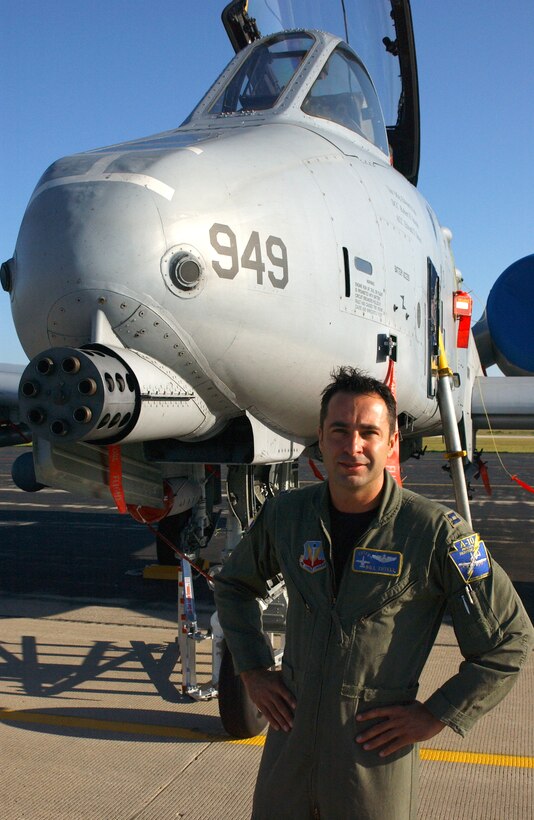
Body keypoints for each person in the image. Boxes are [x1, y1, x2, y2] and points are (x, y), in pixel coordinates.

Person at [213, 367, 534, 820]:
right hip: (290, 747)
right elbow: (233, 585)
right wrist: (253, 669)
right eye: (340, 431)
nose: (353, 447)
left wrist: (436, 714)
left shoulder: (434, 534)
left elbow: (510, 640)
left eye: (368, 432)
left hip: (371, 757)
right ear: (320, 438)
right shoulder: (287, 517)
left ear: (391, 442)